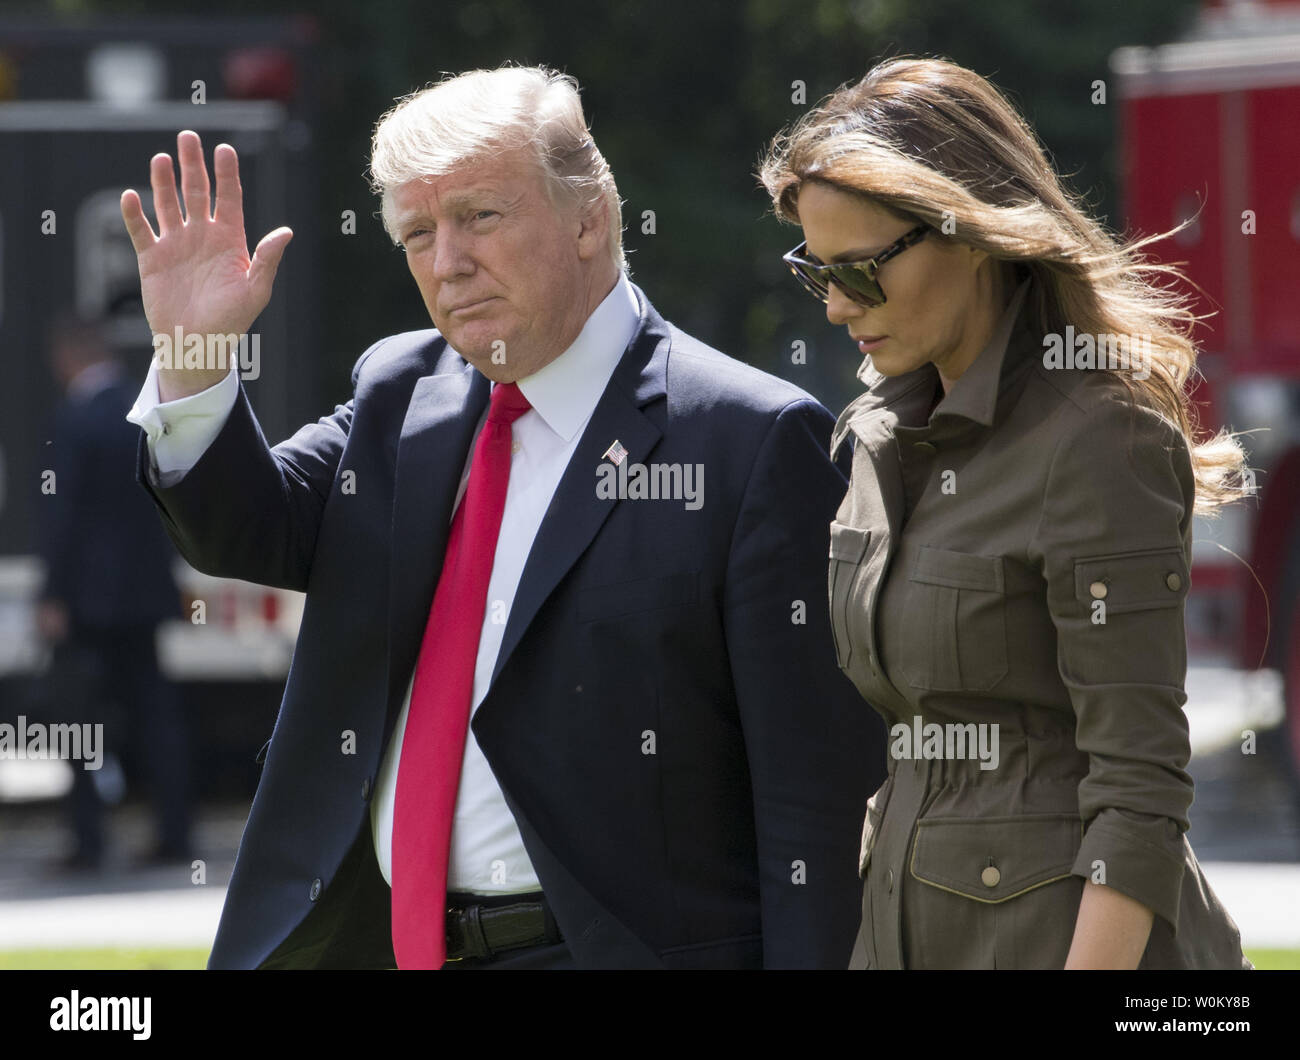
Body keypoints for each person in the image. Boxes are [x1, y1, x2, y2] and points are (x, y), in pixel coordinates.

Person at [119, 65, 885, 969]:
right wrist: (198, 357)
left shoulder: (750, 440)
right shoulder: (399, 393)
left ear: (591, 217)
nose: (447, 263)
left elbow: (812, 803)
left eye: (480, 216)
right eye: (417, 234)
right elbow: (240, 527)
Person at [759, 56, 1253, 969]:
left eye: (861, 274)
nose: (833, 308)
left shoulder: (1099, 440)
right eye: (814, 273)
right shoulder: (872, 436)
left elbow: (1139, 793)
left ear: (971, 232)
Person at [36, 315, 191, 870]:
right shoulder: (140, 411)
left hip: (88, 602)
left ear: (68, 356)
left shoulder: (75, 419)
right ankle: (176, 836)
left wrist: (52, 594)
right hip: (144, 595)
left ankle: (87, 841)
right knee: (156, 717)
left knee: (82, 722)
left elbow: (65, 514)